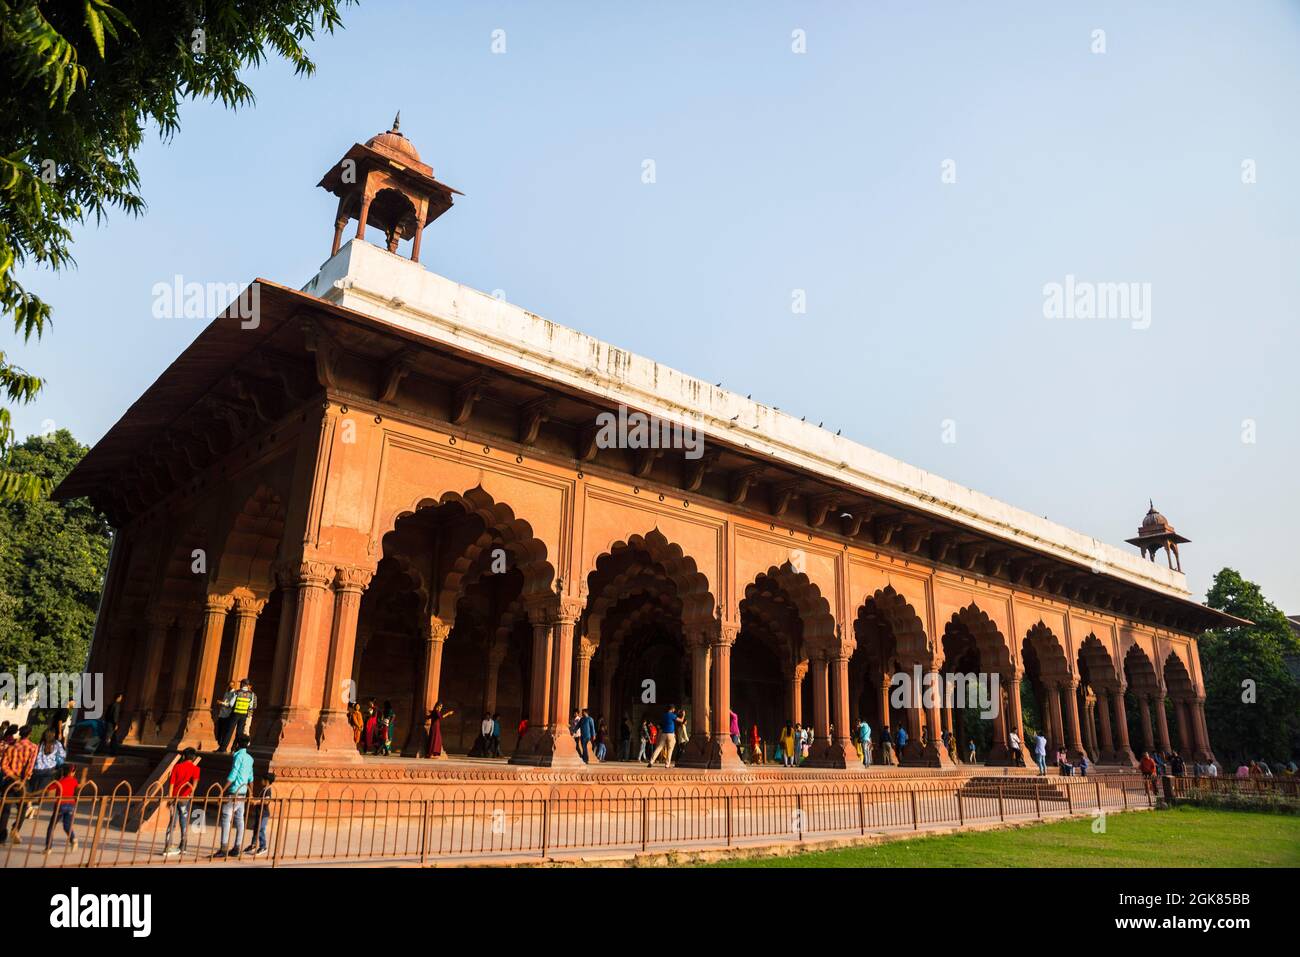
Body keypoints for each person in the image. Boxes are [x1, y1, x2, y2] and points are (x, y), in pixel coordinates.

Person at [213, 735, 253, 859]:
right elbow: (251, 776)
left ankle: (223, 848)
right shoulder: (250, 758)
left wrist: (223, 790)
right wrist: (251, 792)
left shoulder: (238, 756)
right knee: (239, 819)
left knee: (226, 818)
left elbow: (233, 773)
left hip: (234, 791)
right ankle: (236, 847)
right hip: (243, 792)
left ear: (237, 743)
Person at [0, 725, 38, 843]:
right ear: (30, 734)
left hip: (10, 781)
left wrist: (12, 776)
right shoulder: (33, 747)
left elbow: (3, 765)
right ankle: (15, 829)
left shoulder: (11, 747)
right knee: (22, 808)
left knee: (6, 809)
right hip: (22, 782)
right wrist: (23, 779)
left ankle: (1, 836)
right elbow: (30, 765)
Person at [163, 748, 201, 856]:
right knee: (184, 822)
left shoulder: (177, 767)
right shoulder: (196, 769)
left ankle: (168, 846)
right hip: (185, 799)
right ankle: (183, 846)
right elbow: (194, 785)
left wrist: (170, 798)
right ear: (193, 758)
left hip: (175, 798)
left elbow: (171, 784)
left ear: (183, 756)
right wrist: (190, 793)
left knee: (172, 822)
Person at [41, 763, 80, 854]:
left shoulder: (59, 781)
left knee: (51, 827)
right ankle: (73, 839)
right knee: (67, 825)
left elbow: (48, 788)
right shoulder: (74, 780)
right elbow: (76, 786)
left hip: (60, 806)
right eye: (74, 771)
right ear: (71, 772)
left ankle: (48, 848)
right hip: (71, 805)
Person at [243, 772, 276, 857]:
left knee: (260, 830)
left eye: (262, 779)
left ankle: (263, 846)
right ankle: (253, 845)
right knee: (256, 828)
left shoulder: (268, 790)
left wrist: (256, 802)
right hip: (259, 813)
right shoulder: (264, 789)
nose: (261, 781)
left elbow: (266, 801)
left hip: (264, 814)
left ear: (267, 781)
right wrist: (254, 799)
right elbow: (261, 799)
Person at [31, 730, 66, 795]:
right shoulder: (57, 743)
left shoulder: (41, 743)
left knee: (33, 789)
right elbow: (63, 755)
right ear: (53, 735)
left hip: (36, 769)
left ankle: (29, 802)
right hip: (49, 770)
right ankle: (36, 803)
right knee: (42, 790)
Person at [648, 704, 680, 769]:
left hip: (664, 734)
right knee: (670, 749)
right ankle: (667, 764)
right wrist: (683, 715)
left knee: (659, 748)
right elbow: (681, 720)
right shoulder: (672, 715)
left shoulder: (664, 715)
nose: (674, 710)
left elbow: (661, 724)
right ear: (672, 709)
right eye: (674, 709)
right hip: (670, 734)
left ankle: (651, 762)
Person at [215, 681, 238, 752]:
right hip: (222, 714)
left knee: (224, 731)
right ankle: (220, 745)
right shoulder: (227, 692)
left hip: (227, 715)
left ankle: (223, 747)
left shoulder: (234, 693)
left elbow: (230, 704)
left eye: (232, 685)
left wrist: (221, 703)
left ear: (234, 686)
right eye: (229, 685)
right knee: (219, 731)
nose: (230, 686)